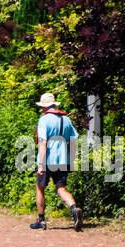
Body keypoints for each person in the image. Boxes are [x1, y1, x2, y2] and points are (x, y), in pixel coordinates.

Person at [31, 92, 83, 232]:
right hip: (63, 159)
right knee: (61, 189)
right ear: (54, 104)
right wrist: (71, 162)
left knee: (40, 187)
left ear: (44, 107)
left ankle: (41, 220)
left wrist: (41, 164)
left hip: (47, 160)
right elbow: (73, 141)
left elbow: (43, 143)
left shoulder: (44, 120)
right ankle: (73, 208)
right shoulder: (66, 120)